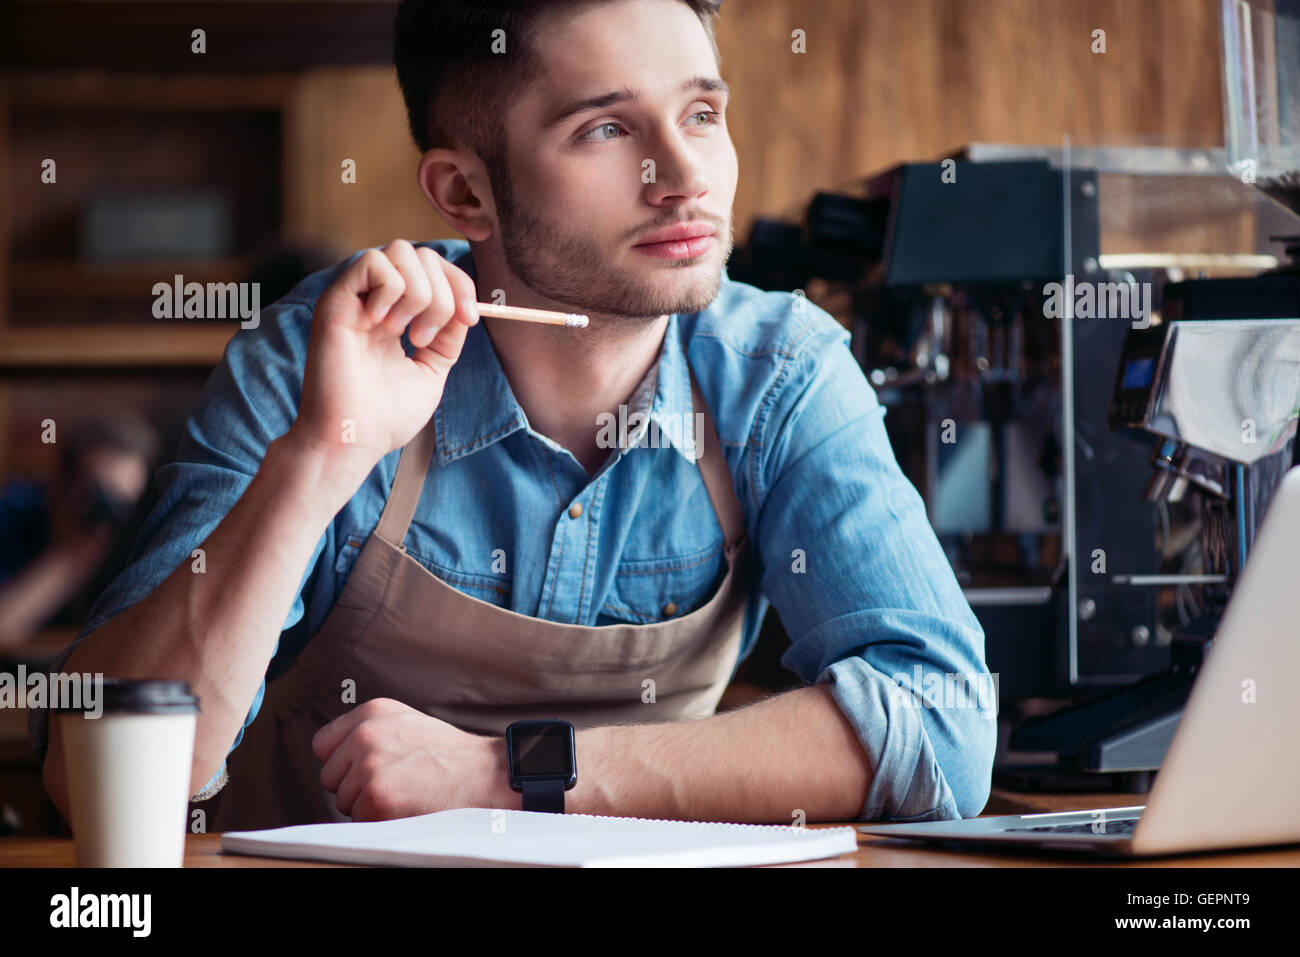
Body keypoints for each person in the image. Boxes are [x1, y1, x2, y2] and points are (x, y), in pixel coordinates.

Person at [33, 0, 996, 830]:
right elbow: (92, 778)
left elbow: (943, 724)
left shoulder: (779, 373)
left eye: (701, 112)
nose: (684, 174)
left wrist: (510, 774)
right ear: (465, 191)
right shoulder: (316, 358)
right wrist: (324, 453)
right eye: (607, 130)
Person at [0, 412, 159, 649]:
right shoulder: (11, 513)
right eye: (98, 495)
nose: (108, 518)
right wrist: (67, 561)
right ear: (60, 481)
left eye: (122, 505)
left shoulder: (129, 543)